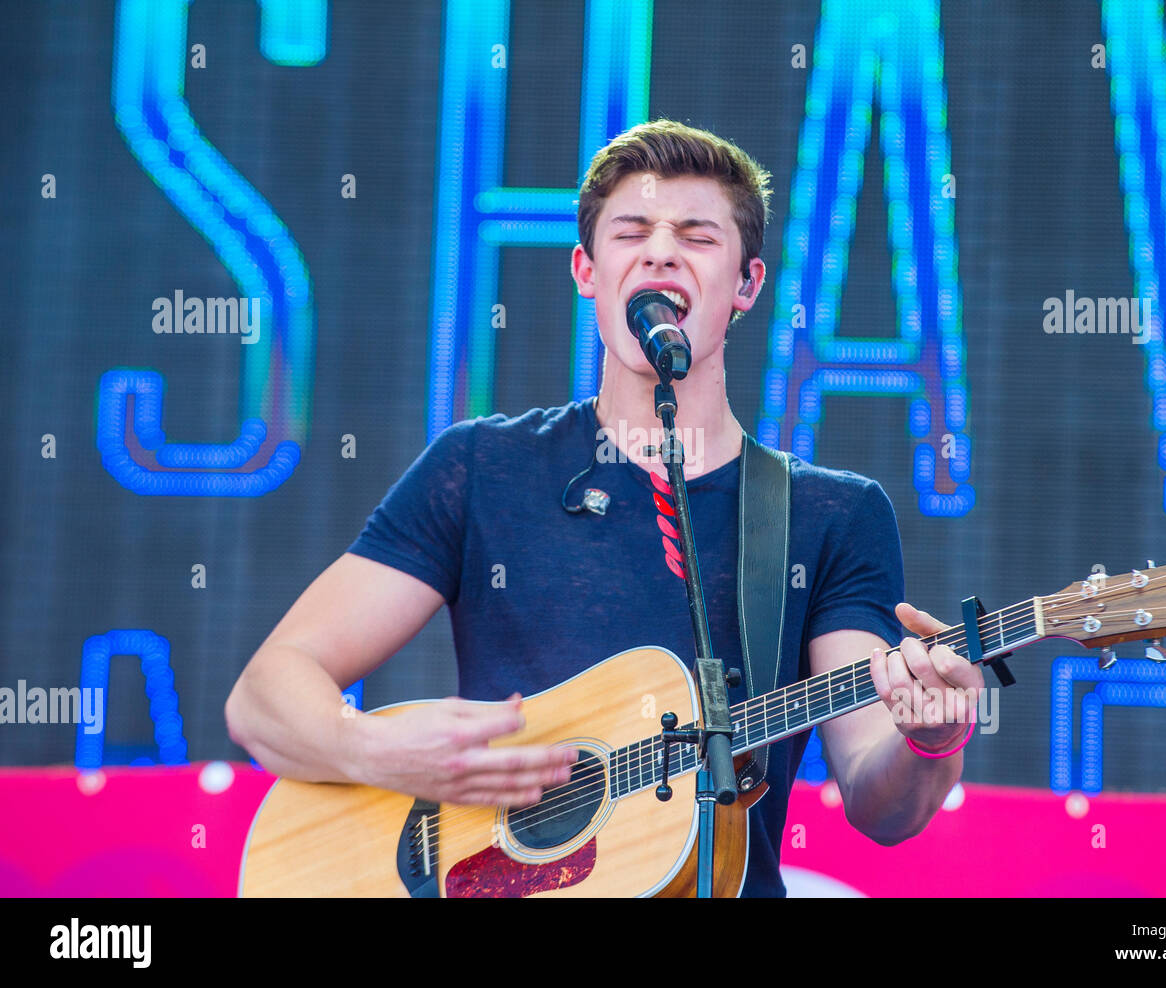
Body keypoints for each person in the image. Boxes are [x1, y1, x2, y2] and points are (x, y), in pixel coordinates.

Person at [225, 119, 985, 897]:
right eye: (632, 232)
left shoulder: (830, 515)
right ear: (588, 270)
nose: (661, 251)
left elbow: (878, 799)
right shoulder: (482, 466)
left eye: (696, 235)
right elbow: (265, 694)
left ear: (748, 285)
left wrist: (934, 738)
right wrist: (380, 753)